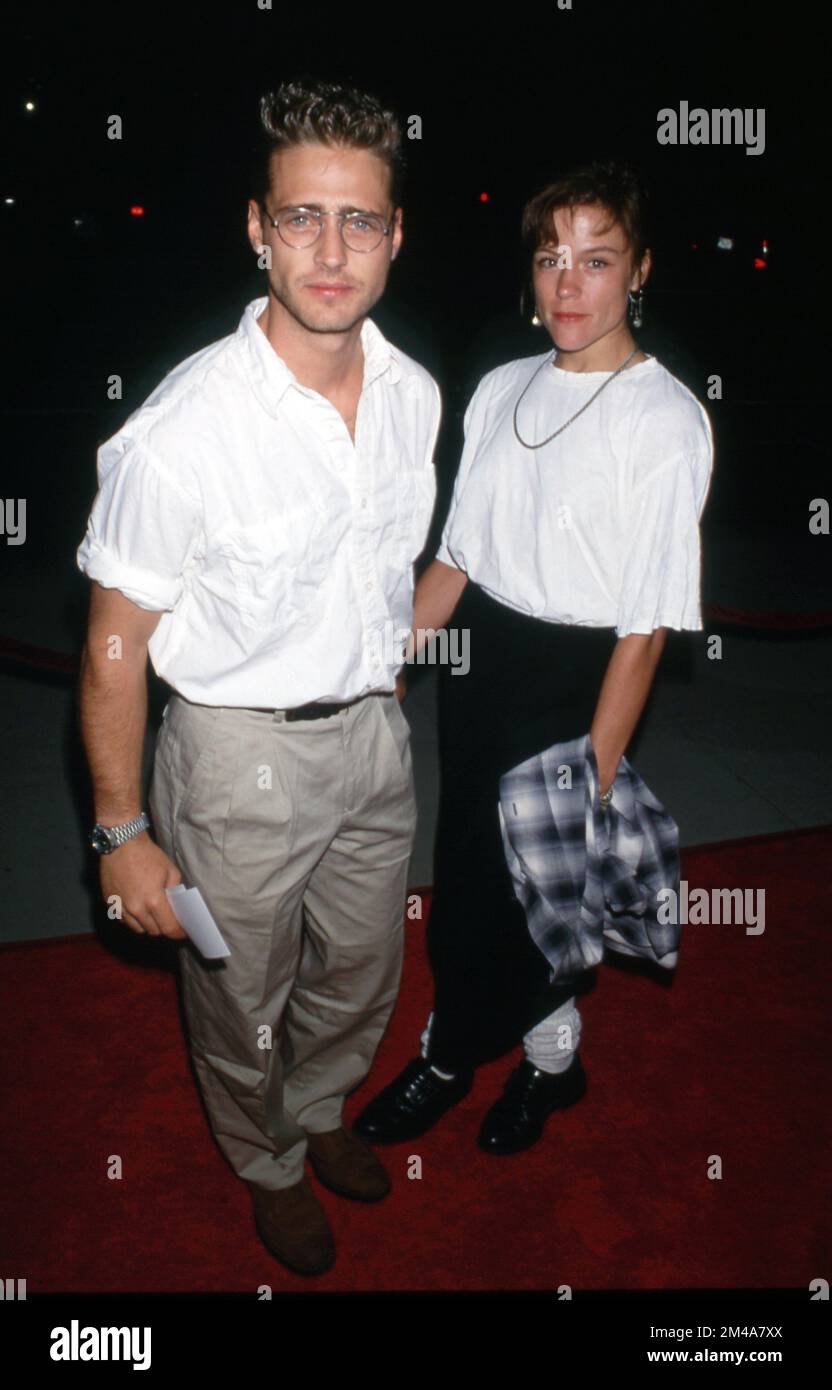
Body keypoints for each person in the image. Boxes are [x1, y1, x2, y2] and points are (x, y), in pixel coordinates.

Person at [76, 77, 441, 1277]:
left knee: (365, 961)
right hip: (236, 755)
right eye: (303, 218)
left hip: (376, 736)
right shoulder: (182, 430)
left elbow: (383, 571)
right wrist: (121, 828)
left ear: (395, 232)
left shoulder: (413, 398)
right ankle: (267, 1162)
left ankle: (323, 1106)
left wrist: (379, 676)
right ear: (256, 228)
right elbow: (114, 643)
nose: (332, 251)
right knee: (242, 996)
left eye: (361, 221)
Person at [353, 160, 713, 1156]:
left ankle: (452, 1057)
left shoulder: (667, 420)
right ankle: (549, 1060)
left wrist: (593, 776)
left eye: (595, 260)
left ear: (637, 269)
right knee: (472, 880)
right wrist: (384, 665)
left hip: (572, 681)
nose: (567, 284)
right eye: (551, 257)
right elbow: (457, 560)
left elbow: (643, 629)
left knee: (530, 900)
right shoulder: (501, 386)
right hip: (479, 673)